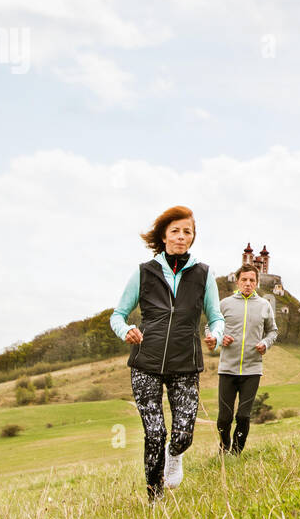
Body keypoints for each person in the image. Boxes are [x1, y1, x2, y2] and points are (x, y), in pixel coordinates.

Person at [110, 206, 225, 501]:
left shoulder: (203, 274)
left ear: (193, 237)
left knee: (182, 434)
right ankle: (155, 498)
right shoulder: (144, 272)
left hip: (185, 364)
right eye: (175, 231)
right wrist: (126, 331)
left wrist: (215, 335)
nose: (181, 236)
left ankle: (175, 455)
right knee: (155, 433)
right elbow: (117, 316)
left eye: (187, 231)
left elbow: (216, 318)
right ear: (163, 236)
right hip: (145, 363)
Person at [216, 262, 278, 456]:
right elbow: (211, 327)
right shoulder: (225, 304)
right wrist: (219, 337)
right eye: (244, 279)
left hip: (252, 370)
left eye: (252, 280)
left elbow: (273, 331)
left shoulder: (264, 305)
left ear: (257, 282)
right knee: (224, 419)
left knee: (243, 416)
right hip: (227, 369)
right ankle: (224, 446)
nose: (248, 283)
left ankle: (235, 453)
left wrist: (265, 344)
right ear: (237, 281)